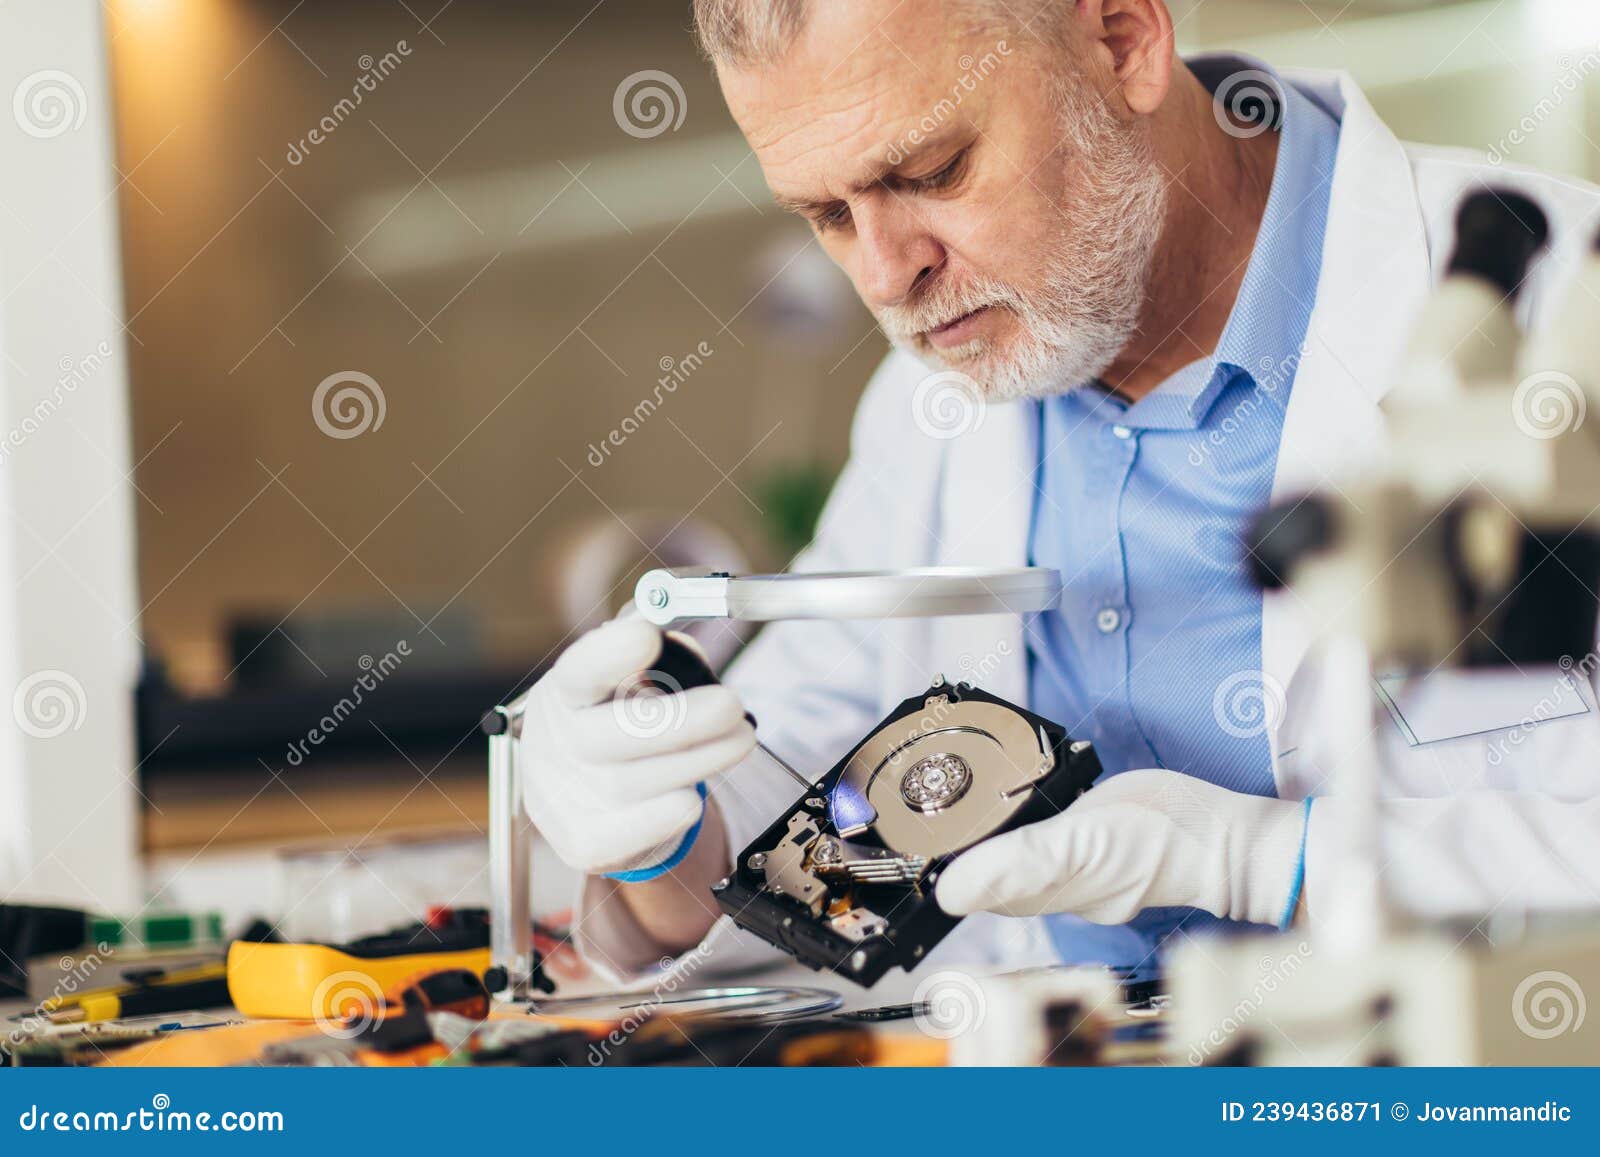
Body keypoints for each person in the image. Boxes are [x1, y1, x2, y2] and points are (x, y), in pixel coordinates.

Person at [522, 0, 1600, 982]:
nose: (886, 276)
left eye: (932, 170)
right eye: (828, 214)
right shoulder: (928, 405)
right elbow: (800, 817)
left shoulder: (1562, 306)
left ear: (1122, 43)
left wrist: (1271, 858)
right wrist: (658, 833)